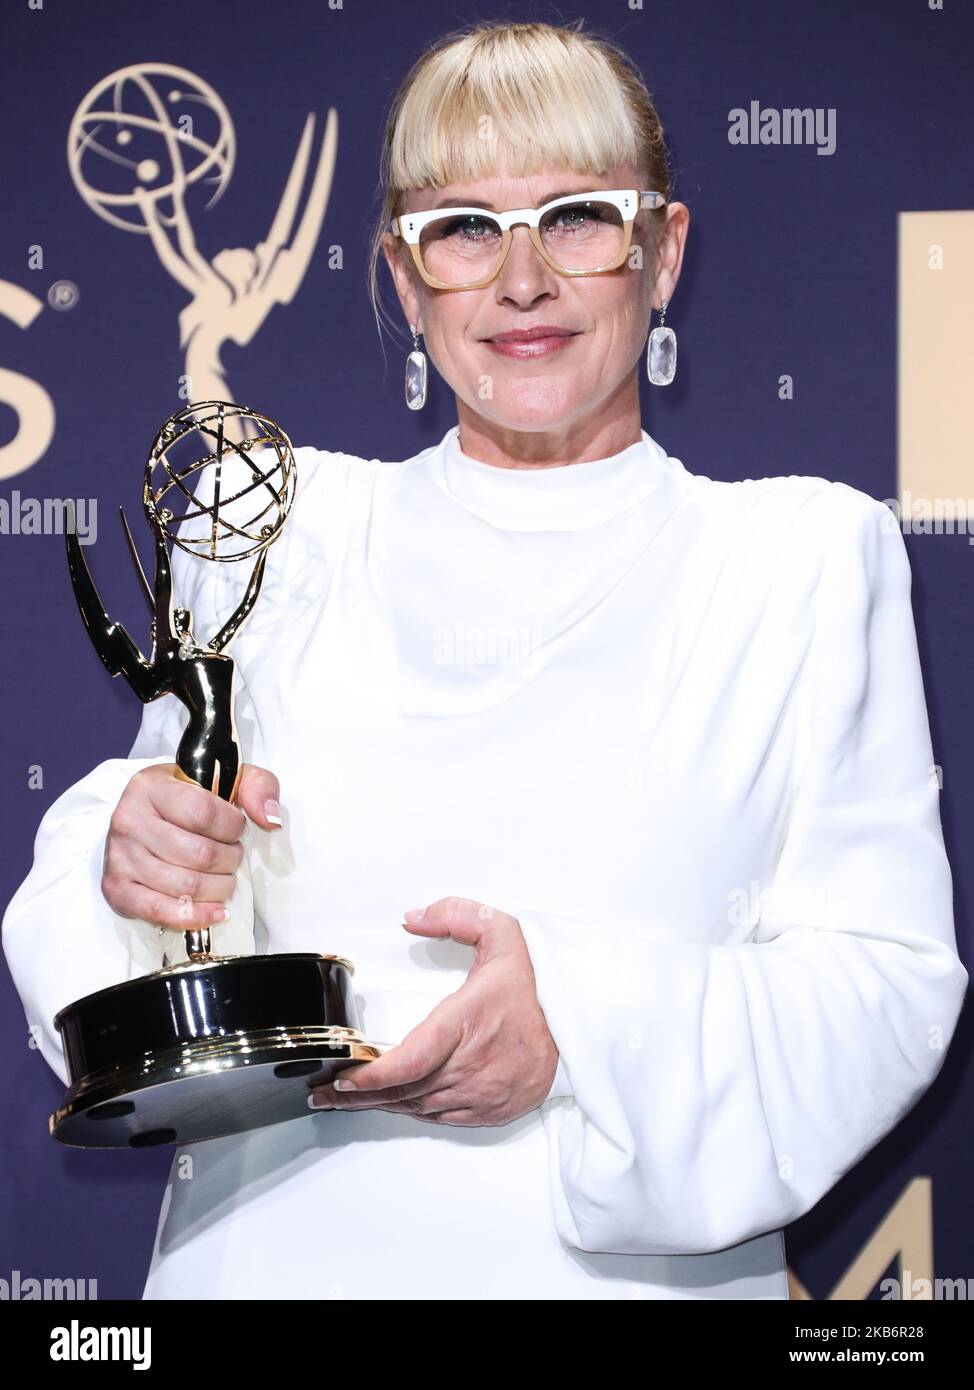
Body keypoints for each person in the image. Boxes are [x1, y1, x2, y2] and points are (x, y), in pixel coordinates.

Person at [3, 19, 968, 1301]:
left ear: (661, 252)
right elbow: (154, 918)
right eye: (461, 229)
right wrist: (136, 856)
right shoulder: (271, 521)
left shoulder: (799, 558)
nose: (521, 281)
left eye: (576, 217)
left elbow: (880, 988)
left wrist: (576, 1028)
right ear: (404, 282)